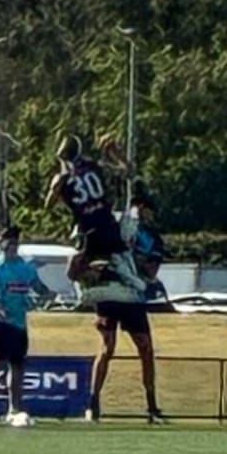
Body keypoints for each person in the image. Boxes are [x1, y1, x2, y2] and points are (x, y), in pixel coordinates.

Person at [90, 193, 168, 425]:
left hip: (133, 298)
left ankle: (151, 406)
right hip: (110, 294)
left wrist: (137, 263)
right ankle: (93, 403)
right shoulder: (114, 226)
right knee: (107, 348)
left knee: (145, 348)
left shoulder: (152, 238)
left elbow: (151, 271)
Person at [0, 226, 51, 423]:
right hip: (0, 323)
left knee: (17, 366)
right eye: (8, 242)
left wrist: (47, 296)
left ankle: (14, 409)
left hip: (19, 324)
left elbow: (40, 289)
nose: (12, 246)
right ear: (2, 245)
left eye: (15, 242)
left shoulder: (26, 268)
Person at [49, 134, 144, 295]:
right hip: (108, 222)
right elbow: (128, 171)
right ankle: (114, 280)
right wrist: (114, 153)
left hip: (90, 228)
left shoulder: (63, 178)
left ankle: (107, 283)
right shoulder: (94, 166)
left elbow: (49, 204)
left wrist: (56, 187)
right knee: (113, 259)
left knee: (74, 271)